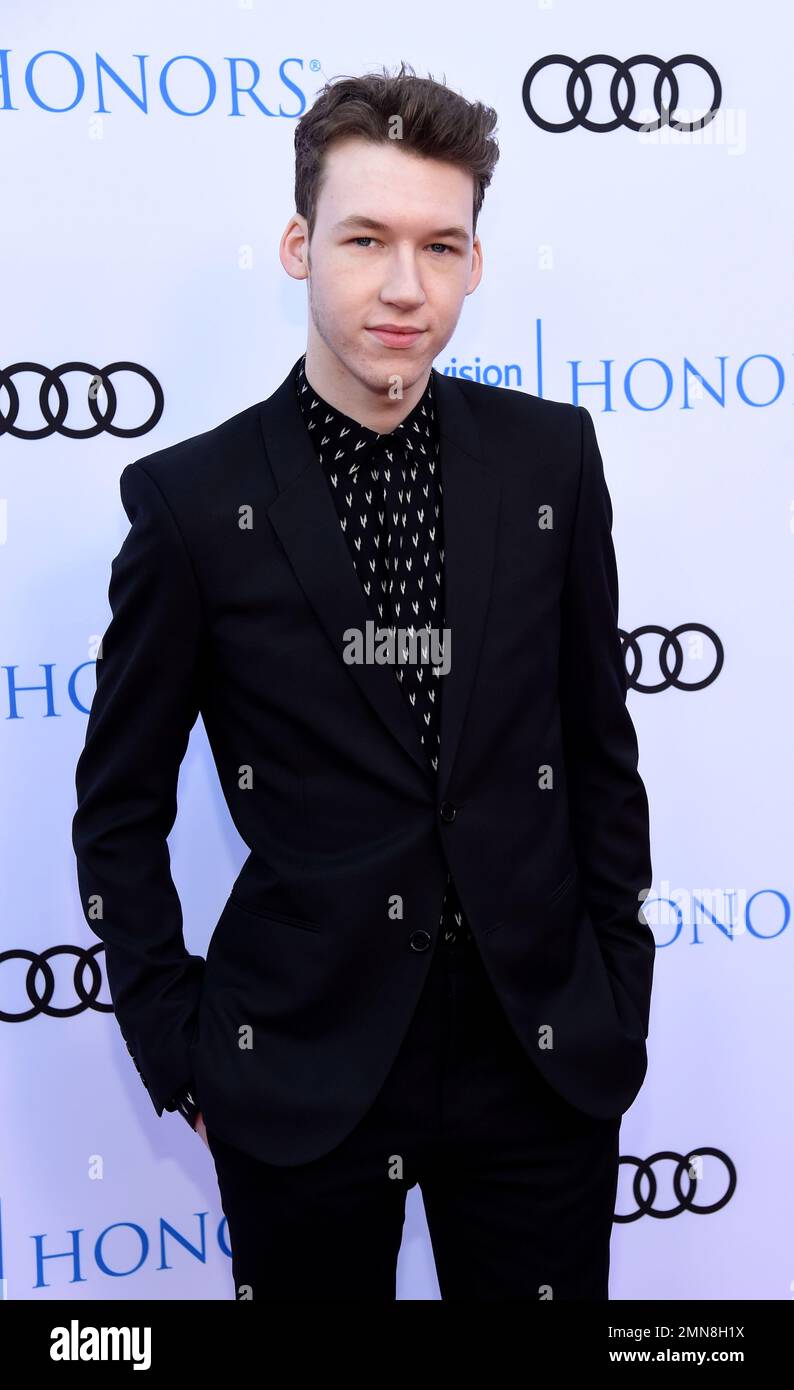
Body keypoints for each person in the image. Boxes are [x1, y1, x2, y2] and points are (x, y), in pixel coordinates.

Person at [72, 61, 655, 1300]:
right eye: (365, 238)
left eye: (441, 245)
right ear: (298, 244)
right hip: (300, 1063)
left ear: (476, 263)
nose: (405, 285)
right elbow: (118, 810)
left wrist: (616, 983)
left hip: (537, 1050)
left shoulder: (551, 460)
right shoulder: (189, 504)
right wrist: (183, 1052)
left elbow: (600, 749)